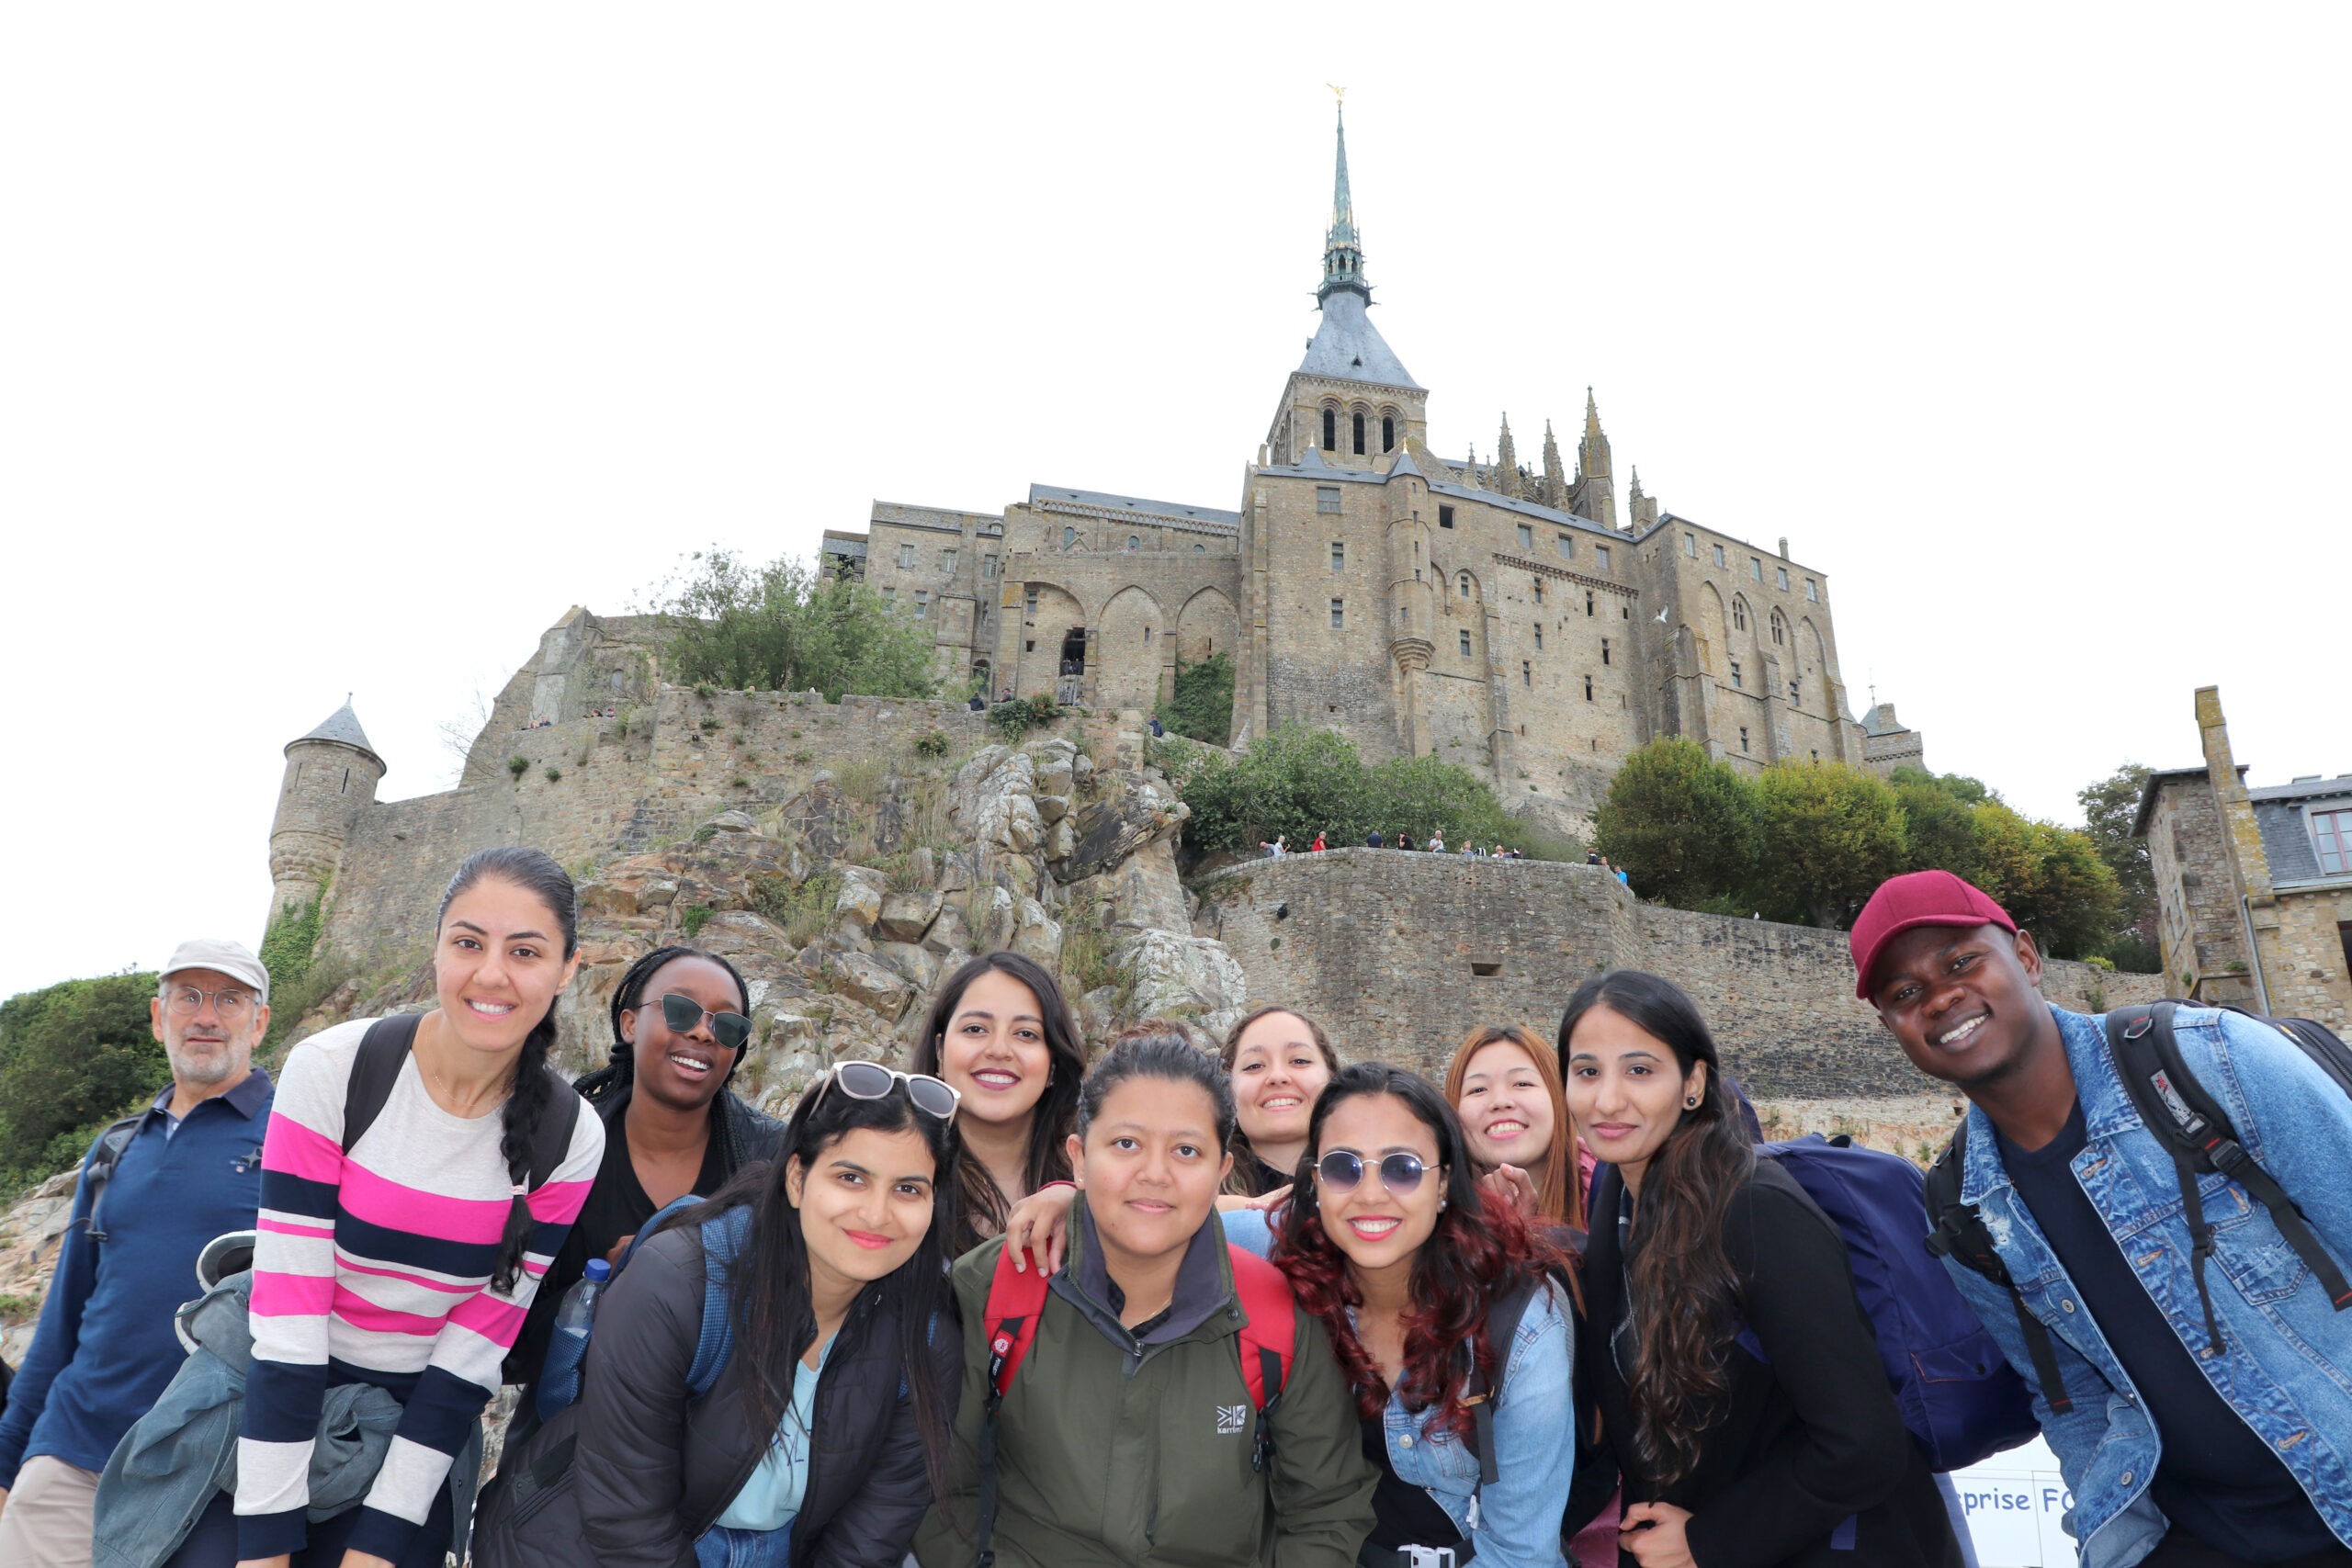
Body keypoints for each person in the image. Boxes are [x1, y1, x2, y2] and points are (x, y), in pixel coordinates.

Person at [1854, 869, 2352, 1565]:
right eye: (1905, 993)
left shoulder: (2208, 1058)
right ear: (1892, 1027)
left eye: (1960, 960)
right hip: (2193, 1539)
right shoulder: (1959, 1204)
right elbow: (2068, 1396)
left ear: (2026, 956)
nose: (1940, 996)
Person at [169, 847, 605, 1568]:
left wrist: (379, 1542)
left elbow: (476, 1346)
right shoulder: (334, 1069)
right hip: (278, 1385)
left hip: (422, 1419)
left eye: (525, 951)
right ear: (436, 947)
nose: (491, 973)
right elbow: (291, 1315)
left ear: (566, 969)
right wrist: (267, 1546)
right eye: (468, 942)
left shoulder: (570, 1136)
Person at [912, 1027, 1375, 1567]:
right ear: (1080, 1159)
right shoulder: (996, 1288)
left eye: (1186, 1150)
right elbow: (938, 1486)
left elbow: (1325, 1511)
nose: (1154, 1175)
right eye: (1126, 1144)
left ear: (1221, 1171)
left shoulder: (1277, 1316)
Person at [1561, 969, 1959, 1568]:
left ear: (1693, 1082)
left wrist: (1710, 1540)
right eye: (1587, 1070)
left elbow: (1863, 1443)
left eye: (1640, 1069)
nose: (1607, 1098)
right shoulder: (1616, 1194)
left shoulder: (1755, 1210)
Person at [537, 1059, 964, 1568]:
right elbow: (626, 1514)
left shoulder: (926, 1334)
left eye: (908, 1189)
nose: (877, 1213)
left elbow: (873, 1531)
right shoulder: (681, 1285)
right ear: (797, 1180)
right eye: (851, 1178)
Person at [0, 941, 277, 1568]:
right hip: (68, 1458)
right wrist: (10, 1453)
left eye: (230, 998)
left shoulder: (294, 1138)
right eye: (189, 996)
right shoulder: (113, 1147)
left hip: (204, 1475)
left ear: (258, 1023)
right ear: (159, 1016)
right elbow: (64, 1315)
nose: (207, 1015)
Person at [505, 944, 785, 1427]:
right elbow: (501, 1337)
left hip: (719, 1441)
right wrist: (601, 1292)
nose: (702, 1031)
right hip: (568, 1442)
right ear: (630, 1024)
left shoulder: (773, 1159)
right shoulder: (561, 1149)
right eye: (680, 1011)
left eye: (727, 1025)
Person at [907, 952, 1084, 1258]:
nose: (999, 1050)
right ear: (939, 1050)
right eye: (975, 1029)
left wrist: (1082, 1210)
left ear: (1053, 1064)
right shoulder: (894, 1178)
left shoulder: (1097, 1179)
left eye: (1026, 1034)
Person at [1444, 1025, 1587, 1232]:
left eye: (1521, 1084)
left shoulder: (1622, 1197)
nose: (1500, 1102)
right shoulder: (1429, 1225)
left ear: (1559, 1098)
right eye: (1478, 1089)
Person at [1219, 1005, 1340, 1196]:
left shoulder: (1385, 1187)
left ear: (1332, 1078)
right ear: (1227, 1089)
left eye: (1299, 1061)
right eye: (1254, 1065)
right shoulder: (1192, 1208)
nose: (1277, 1076)